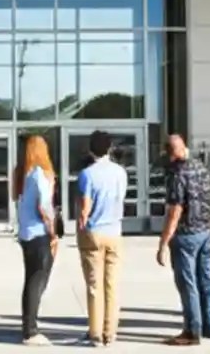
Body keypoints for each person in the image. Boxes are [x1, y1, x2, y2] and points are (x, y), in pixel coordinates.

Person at [156, 134, 210, 346]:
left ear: (170, 153)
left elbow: (175, 211)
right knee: (206, 280)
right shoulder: (200, 167)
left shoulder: (178, 174)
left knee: (187, 283)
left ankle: (192, 330)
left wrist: (163, 243)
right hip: (205, 231)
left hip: (186, 234)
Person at [76, 130, 128, 347]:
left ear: (91, 149)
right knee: (111, 284)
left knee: (94, 285)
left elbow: (85, 206)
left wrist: (81, 221)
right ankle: (110, 332)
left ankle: (95, 333)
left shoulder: (87, 174)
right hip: (115, 230)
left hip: (94, 231)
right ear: (109, 149)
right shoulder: (120, 173)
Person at [14, 134, 59, 346]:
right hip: (39, 234)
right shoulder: (39, 174)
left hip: (25, 235)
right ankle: (30, 331)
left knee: (31, 280)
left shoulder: (22, 174)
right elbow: (44, 206)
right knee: (38, 280)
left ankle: (28, 324)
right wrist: (53, 231)